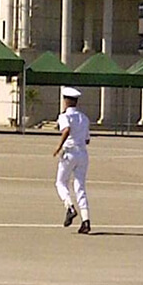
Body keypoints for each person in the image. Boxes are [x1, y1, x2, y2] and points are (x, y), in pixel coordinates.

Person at [53, 86, 92, 234]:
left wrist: (59, 146)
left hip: (69, 152)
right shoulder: (84, 118)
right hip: (83, 153)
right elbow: (87, 140)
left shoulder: (64, 116)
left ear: (66, 101)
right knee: (80, 186)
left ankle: (69, 206)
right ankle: (86, 220)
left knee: (60, 182)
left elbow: (66, 130)